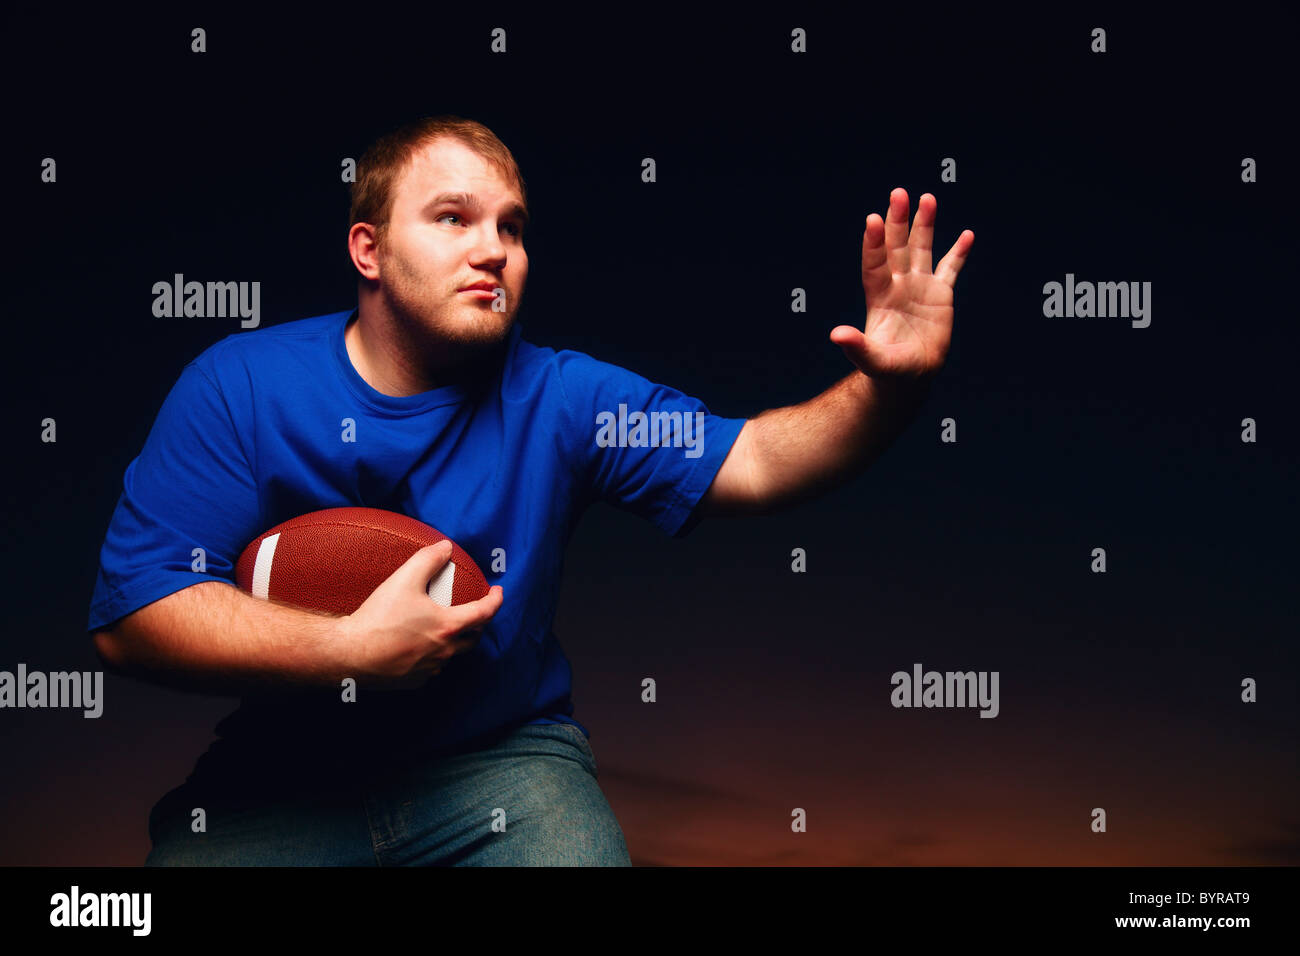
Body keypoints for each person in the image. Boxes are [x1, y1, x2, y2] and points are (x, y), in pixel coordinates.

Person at [88, 115, 974, 866]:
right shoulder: (240, 385)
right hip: (281, 775)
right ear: (368, 248)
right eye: (453, 218)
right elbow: (134, 616)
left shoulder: (565, 398)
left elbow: (755, 459)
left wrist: (886, 390)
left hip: (503, 764)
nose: (493, 250)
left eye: (511, 228)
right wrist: (349, 650)